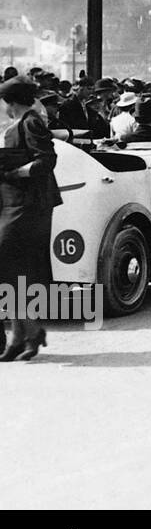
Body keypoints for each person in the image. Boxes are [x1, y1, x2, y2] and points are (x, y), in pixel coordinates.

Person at [0, 77, 62, 361]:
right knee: (17, 274)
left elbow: (45, 160)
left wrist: (15, 173)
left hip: (28, 205)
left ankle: (26, 335)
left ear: (11, 103)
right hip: (20, 204)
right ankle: (24, 336)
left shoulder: (30, 122)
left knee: (11, 268)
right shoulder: (27, 120)